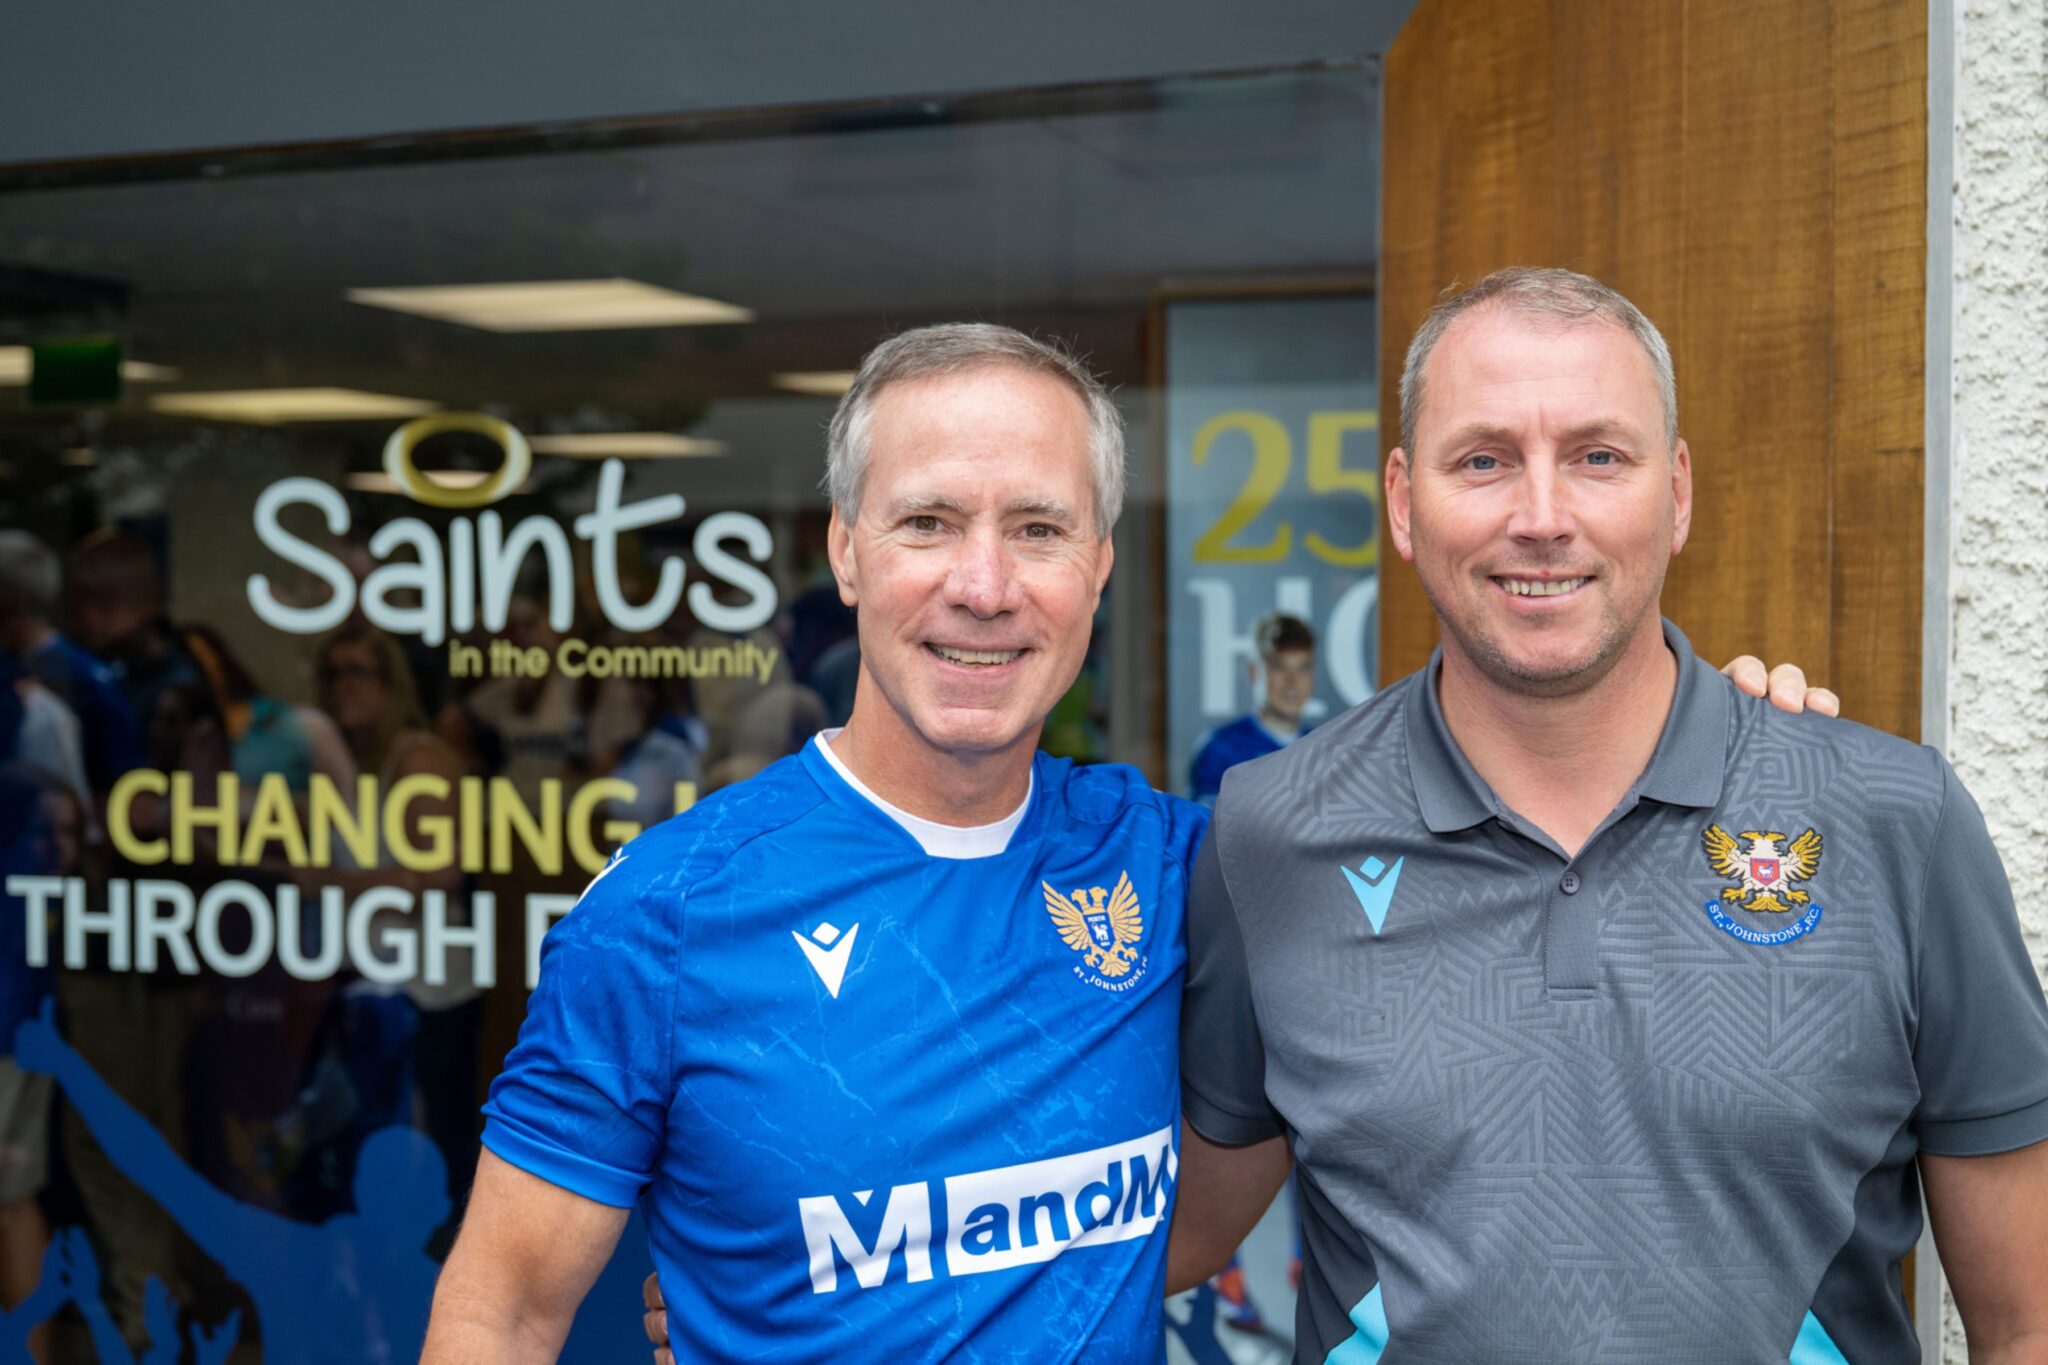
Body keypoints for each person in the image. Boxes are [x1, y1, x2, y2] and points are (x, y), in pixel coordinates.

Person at [1172, 268, 2048, 1361]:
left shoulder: (1891, 822)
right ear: (1402, 501)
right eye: (1482, 459)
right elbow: (1160, 1235)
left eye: (1597, 456)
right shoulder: (1267, 832)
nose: (1540, 518)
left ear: (1674, 492)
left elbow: (2023, 1325)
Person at [424, 323, 1208, 1362]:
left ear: (1097, 566)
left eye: (1037, 529)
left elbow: (1164, 1233)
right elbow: (502, 1315)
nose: (982, 586)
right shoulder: (668, 914)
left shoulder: (1171, 864)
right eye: (925, 523)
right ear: (844, 551)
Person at [1189, 612, 1317, 807]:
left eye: (1302, 668)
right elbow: (1206, 828)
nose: (1293, 681)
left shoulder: (1323, 749)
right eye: (1279, 667)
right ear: (1253, 671)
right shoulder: (1219, 749)